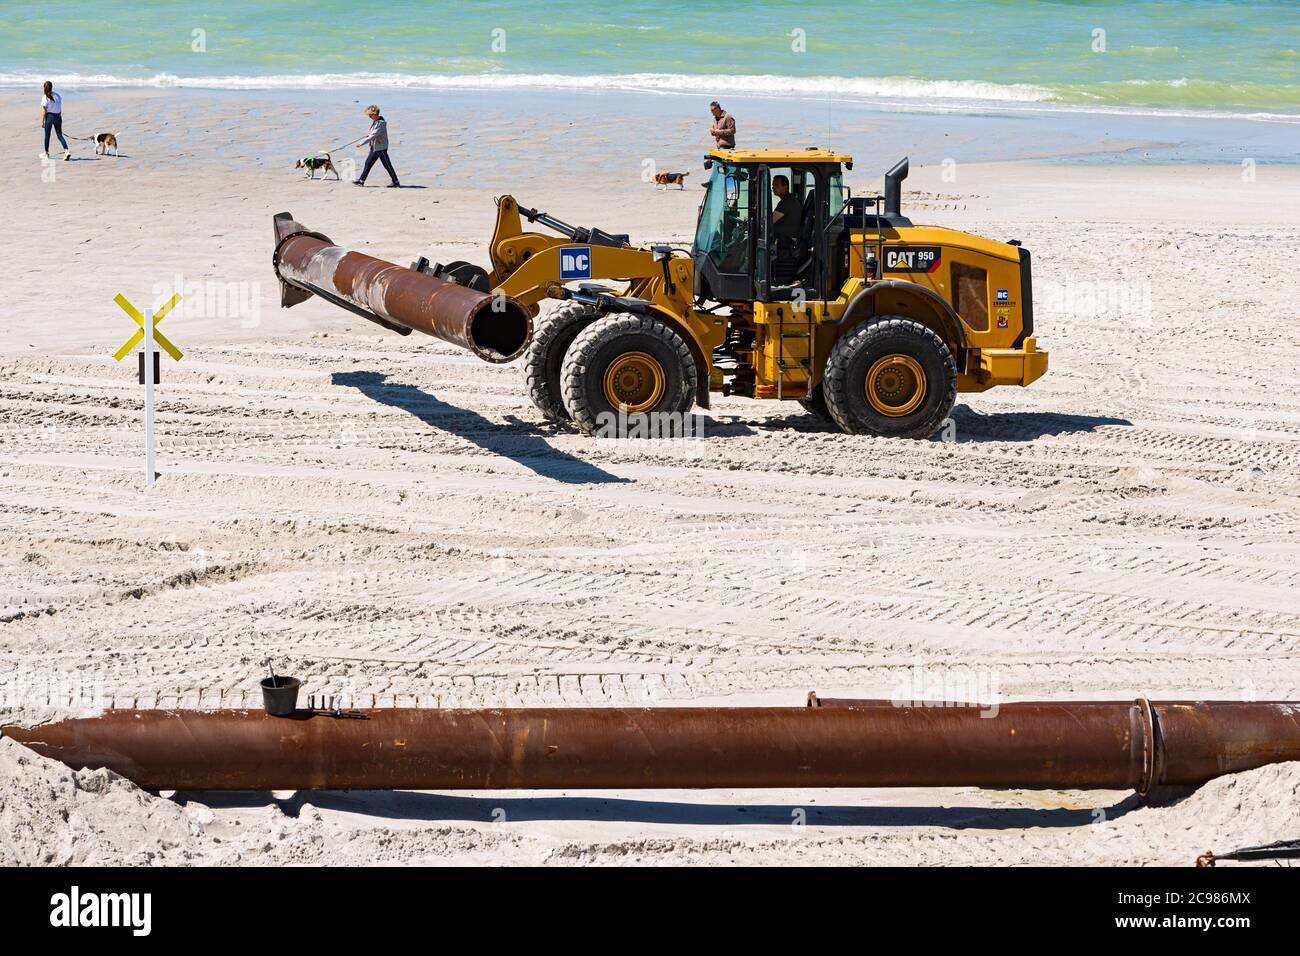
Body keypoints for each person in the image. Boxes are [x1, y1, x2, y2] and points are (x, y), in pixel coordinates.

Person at [353, 105, 400, 188]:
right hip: (374, 147)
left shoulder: (381, 123)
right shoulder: (376, 122)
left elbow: (373, 135)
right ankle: (361, 181)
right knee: (368, 163)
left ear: (375, 114)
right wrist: (368, 136)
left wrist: (361, 143)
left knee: (387, 165)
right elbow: (372, 133)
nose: (369, 117)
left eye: (370, 115)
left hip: (381, 148)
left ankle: (395, 181)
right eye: (369, 115)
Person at [41, 80, 70, 161]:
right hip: (58, 116)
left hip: (49, 117)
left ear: (44, 88)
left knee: (47, 136)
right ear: (52, 87)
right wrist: (59, 115)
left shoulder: (45, 97)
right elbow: (59, 107)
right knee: (59, 135)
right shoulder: (57, 95)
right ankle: (66, 151)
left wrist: (42, 121)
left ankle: (46, 153)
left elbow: (44, 111)